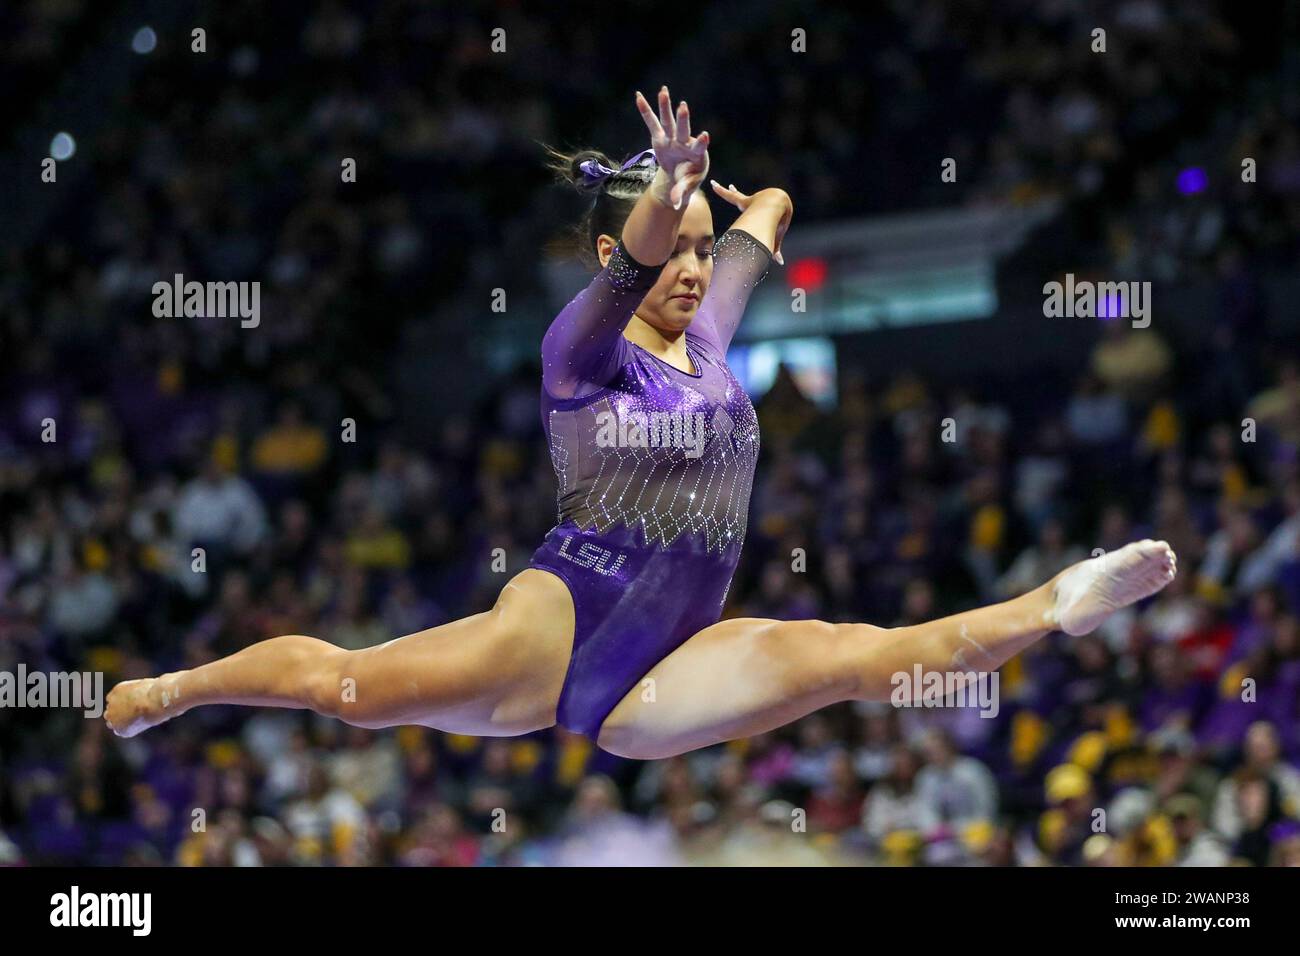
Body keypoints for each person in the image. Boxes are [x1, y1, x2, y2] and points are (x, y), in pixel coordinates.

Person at [105, 86, 1178, 761]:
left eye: (702, 250)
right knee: (346, 690)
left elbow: (775, 209)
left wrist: (727, 210)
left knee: (852, 654)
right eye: (674, 251)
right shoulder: (580, 354)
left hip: (678, 651)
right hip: (560, 620)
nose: (692, 268)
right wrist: (664, 194)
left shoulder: (710, 333)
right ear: (619, 261)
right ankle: (178, 688)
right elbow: (636, 257)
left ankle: (1056, 599)